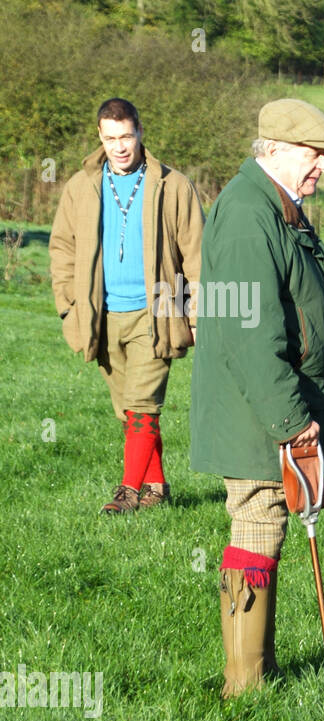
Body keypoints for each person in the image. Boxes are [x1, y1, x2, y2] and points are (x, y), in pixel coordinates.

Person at [190, 99, 324, 699]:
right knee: (257, 519)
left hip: (271, 402)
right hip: (256, 407)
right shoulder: (246, 214)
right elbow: (249, 331)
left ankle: (257, 671)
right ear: (278, 150)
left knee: (269, 523)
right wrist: (290, 418)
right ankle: (246, 686)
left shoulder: (275, 206)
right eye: (316, 155)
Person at [50, 98, 204, 514]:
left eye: (127, 136)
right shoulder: (81, 186)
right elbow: (62, 247)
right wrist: (68, 304)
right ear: (100, 136)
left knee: (141, 405)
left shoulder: (174, 185)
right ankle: (156, 485)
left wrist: (197, 314)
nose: (120, 146)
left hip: (157, 312)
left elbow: (197, 256)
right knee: (131, 412)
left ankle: (128, 493)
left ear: (140, 133)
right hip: (100, 313)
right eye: (111, 138)